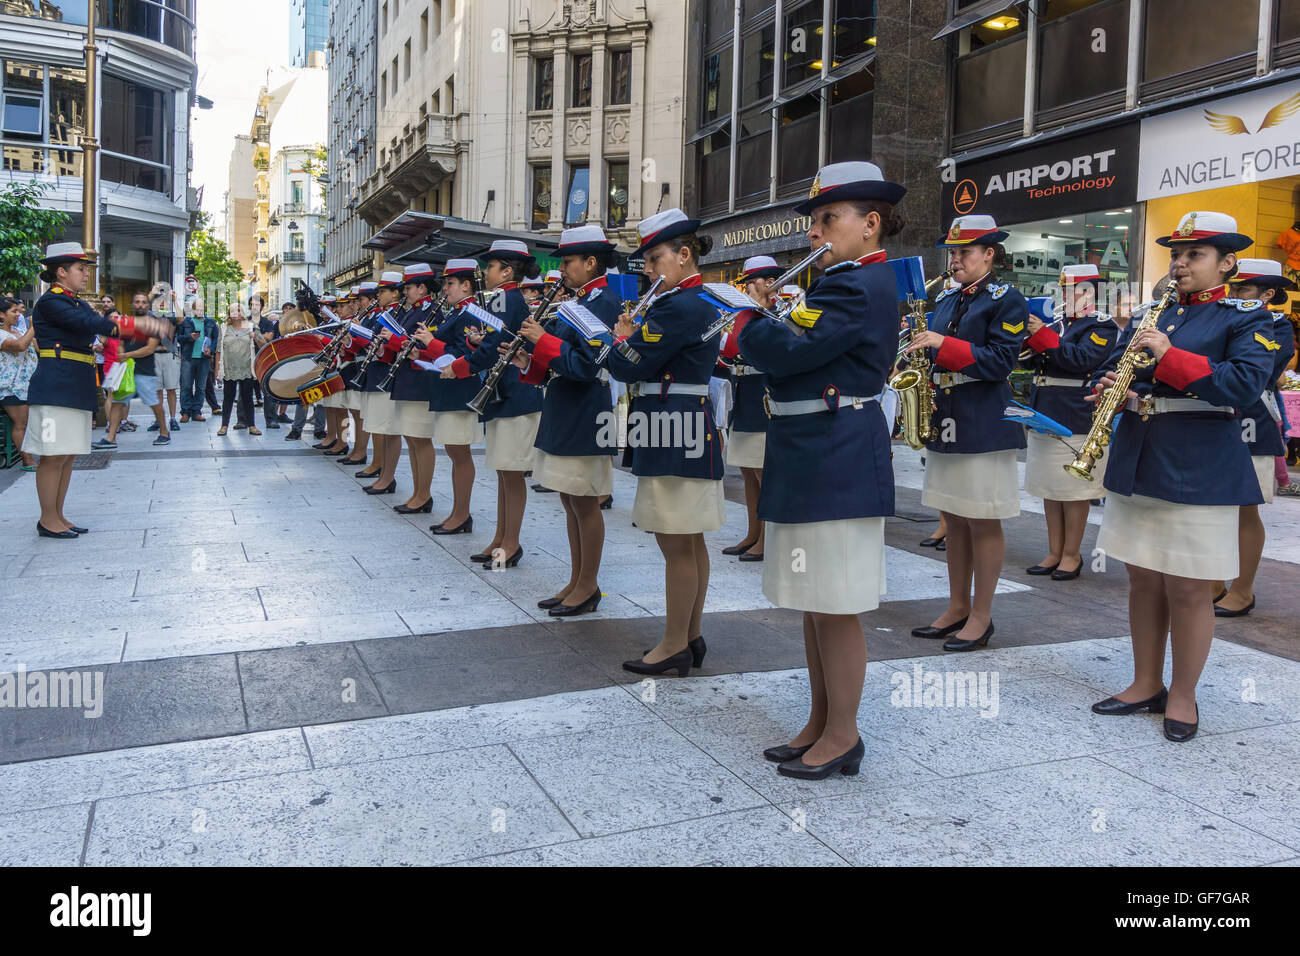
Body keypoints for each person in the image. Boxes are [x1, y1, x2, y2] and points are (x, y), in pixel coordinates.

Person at [736, 162, 903, 779]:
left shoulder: (856, 285)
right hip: (815, 447)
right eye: (814, 221)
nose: (815, 233)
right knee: (816, 600)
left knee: (836, 602)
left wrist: (749, 318)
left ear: (870, 224)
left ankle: (844, 733)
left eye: (828, 219)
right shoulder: (843, 281)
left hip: (836, 453)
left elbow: (788, 352)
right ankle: (819, 722)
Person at [1090, 211, 1273, 742]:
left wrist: (1169, 355)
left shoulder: (1250, 318)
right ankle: (1145, 681)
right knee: (1142, 576)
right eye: (1177, 253)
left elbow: (1240, 385)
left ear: (1227, 263)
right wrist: (1120, 391)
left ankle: (1185, 694)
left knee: (1190, 587)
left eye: (1195, 254)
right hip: (1142, 455)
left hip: (1201, 464)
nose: (1181, 262)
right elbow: (1141, 379)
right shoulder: (1159, 312)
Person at [603, 208, 726, 675]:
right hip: (684, 422)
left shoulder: (680, 305)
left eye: (655, 260)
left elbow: (629, 364)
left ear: (684, 255)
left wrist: (621, 339)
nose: (649, 271)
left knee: (676, 541)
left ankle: (676, 641)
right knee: (688, 539)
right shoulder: (697, 302)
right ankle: (689, 634)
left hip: (673, 426)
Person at [905, 214, 1025, 651]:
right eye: (952, 252)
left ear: (989, 254)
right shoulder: (948, 299)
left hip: (985, 417)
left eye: (964, 252)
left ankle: (982, 614)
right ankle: (957, 605)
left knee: (982, 518)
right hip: (947, 412)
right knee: (953, 517)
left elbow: (999, 362)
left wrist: (941, 345)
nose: (955, 260)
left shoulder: (1006, 298)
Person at [509, 225, 623, 614]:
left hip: (586, 410)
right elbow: (559, 359)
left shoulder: (604, 302)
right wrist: (529, 360)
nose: (563, 269)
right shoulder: (578, 300)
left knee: (586, 501)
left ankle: (588, 585)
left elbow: (589, 366)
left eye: (569, 261)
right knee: (570, 499)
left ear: (592, 262)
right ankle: (576, 580)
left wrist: (542, 340)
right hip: (565, 406)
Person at [23, 243, 170, 537]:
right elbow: (90, 323)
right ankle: (47, 519)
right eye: (81, 269)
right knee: (52, 456)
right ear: (61, 272)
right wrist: (140, 324)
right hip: (54, 387)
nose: (86, 274)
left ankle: (57, 515)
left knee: (66, 456)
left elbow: (92, 322)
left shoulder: (73, 301)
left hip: (74, 385)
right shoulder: (52, 301)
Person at [442, 239, 544, 568]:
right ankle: (500, 538)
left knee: (512, 474)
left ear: (507, 271)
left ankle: (510, 543)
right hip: (507, 394)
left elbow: (493, 349)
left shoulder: (506, 298)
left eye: (490, 267)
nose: (485, 272)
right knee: (504, 472)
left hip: (516, 395)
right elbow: (495, 341)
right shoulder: (506, 299)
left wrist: (458, 367)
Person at [1209, 258, 1297, 616]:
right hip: (1216, 421)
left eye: (1242, 289)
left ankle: (1242, 590)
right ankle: (1213, 582)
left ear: (1269, 293)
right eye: (1232, 287)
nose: (1233, 295)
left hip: (1254, 422)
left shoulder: (1277, 325)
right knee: (1212, 508)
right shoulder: (1220, 316)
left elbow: (1253, 372)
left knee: (1245, 509)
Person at [1020, 264, 1117, 579]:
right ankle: (1054, 551)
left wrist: (1044, 336)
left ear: (1088, 292)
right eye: (1060, 289)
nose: (1061, 295)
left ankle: (1071, 555)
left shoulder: (1102, 326)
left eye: (1068, 290)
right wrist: (1026, 338)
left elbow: (1082, 360)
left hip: (1074, 412)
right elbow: (1032, 362)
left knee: (1072, 492)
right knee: (1050, 487)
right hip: (1045, 408)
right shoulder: (1058, 324)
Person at [720, 255, 783, 562]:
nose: (748, 288)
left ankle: (768, 539)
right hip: (743, 392)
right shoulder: (745, 313)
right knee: (747, 470)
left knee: (762, 472)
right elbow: (728, 350)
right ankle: (752, 532)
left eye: (752, 283)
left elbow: (744, 345)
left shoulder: (776, 313)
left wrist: (753, 309)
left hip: (762, 393)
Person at [414, 259, 483, 534]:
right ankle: (457, 512)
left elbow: (464, 354)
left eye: (450, 283)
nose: (446, 288)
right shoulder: (455, 312)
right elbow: (447, 351)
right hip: (447, 387)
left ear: (466, 285)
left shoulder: (470, 313)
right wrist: (421, 353)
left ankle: (462, 514)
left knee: (460, 453)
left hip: (461, 390)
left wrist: (432, 343)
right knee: (455, 453)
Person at [375, 264, 440, 512]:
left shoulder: (431, 311)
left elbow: (426, 347)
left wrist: (394, 340)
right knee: (412, 440)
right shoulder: (410, 311)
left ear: (422, 288)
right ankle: (418, 493)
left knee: (420, 440)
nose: (406, 292)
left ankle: (423, 495)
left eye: (409, 287)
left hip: (420, 382)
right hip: (406, 380)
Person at [93, 301, 171, 449]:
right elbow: (119, 346)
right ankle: (111, 438)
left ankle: (164, 432)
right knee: (117, 403)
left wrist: (126, 354)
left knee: (154, 403)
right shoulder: (124, 329)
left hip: (145, 371)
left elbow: (149, 349)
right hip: (127, 371)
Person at [357, 273, 407, 493]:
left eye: (382, 291)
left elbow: (398, 344)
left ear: (395, 292)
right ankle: (384, 473)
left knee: (389, 429)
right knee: (380, 427)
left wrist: (378, 348)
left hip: (387, 376)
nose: (378, 296)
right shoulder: (387, 313)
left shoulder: (397, 313)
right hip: (377, 372)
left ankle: (387, 476)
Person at [337, 281, 380, 465]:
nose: (355, 305)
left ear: (372, 300)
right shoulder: (366, 317)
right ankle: (357, 449)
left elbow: (372, 342)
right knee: (358, 414)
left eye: (359, 300)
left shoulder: (375, 317)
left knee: (362, 415)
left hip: (367, 367)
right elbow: (356, 347)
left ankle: (361, 451)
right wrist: (346, 343)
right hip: (360, 366)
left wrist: (357, 332)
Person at [0, 296, 38, 470]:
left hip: (27, 385)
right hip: (11, 387)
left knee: (27, 422)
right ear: (1, 314)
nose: (18, 314)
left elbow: (33, 346)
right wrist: (33, 327)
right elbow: (20, 346)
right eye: (13, 311)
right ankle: (27, 460)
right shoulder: (2, 334)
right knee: (20, 423)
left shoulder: (17, 331)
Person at [216, 302, 262, 437]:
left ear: (242, 312)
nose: (236, 313)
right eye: (233, 311)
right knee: (228, 398)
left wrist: (256, 337)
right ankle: (224, 426)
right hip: (229, 368)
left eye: (239, 310)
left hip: (246, 367)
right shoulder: (224, 328)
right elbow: (218, 349)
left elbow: (263, 343)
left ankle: (252, 425)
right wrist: (218, 370)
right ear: (229, 314)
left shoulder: (251, 326)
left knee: (248, 397)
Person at [178, 300, 219, 422]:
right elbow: (179, 338)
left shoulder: (211, 322)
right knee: (186, 386)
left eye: (201, 307)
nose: (199, 310)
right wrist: (189, 337)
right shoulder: (186, 321)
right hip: (188, 358)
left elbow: (215, 339)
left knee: (201, 387)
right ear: (193, 309)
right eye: (197, 308)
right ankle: (185, 412)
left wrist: (210, 349)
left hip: (204, 359)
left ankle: (196, 411)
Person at [148, 289, 182, 431]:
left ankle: (173, 418)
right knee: (157, 390)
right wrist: (151, 293)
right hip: (155, 355)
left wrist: (175, 301)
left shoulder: (171, 316)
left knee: (171, 389)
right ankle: (158, 419)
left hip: (169, 355)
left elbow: (181, 319)